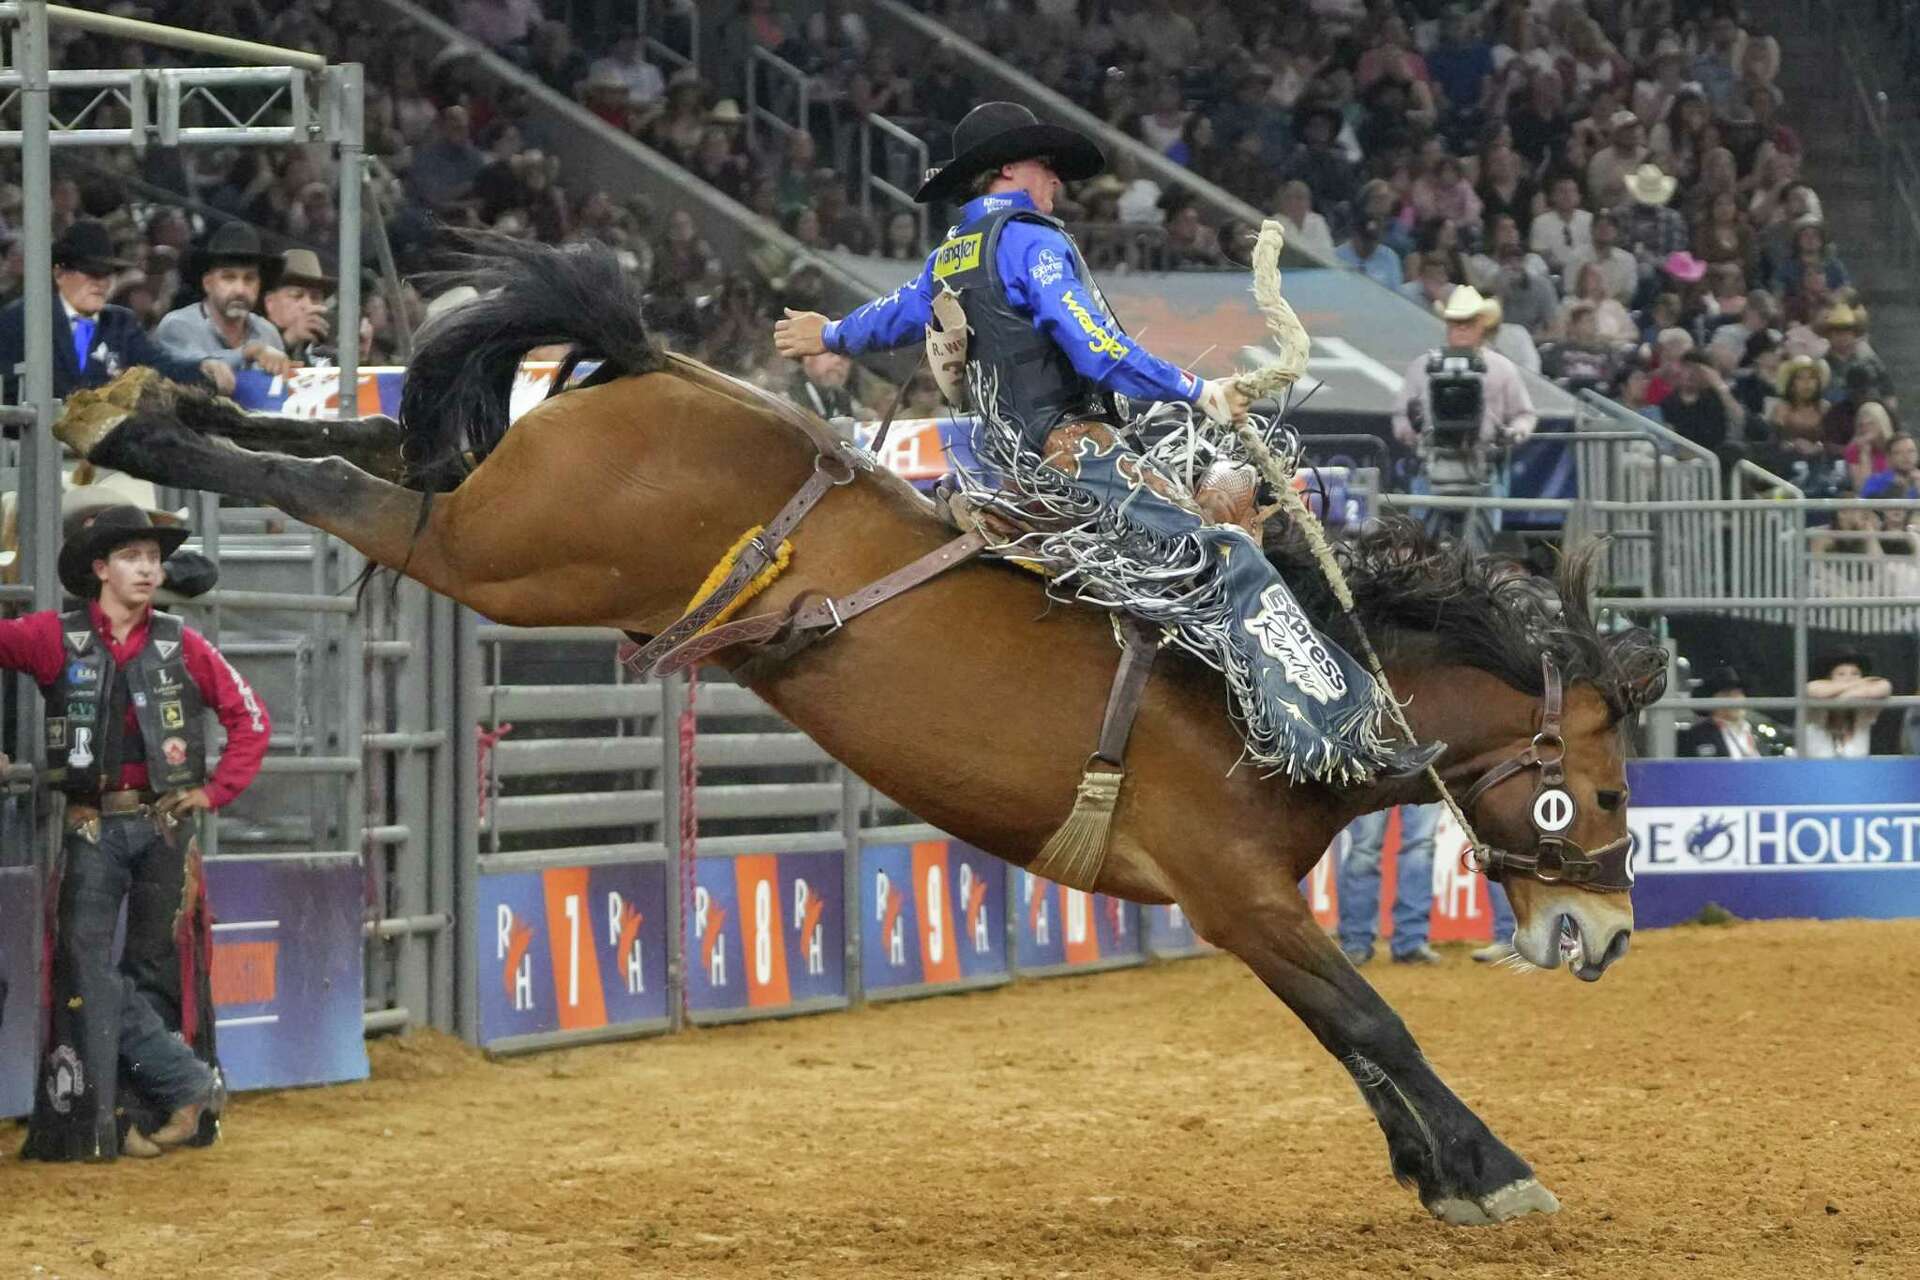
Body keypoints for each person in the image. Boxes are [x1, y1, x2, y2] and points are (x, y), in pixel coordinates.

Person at [773, 101, 1434, 783]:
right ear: (1009, 168)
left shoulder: (953, 254)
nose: (1056, 179)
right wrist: (1199, 391)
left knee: (1220, 507)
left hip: (1014, 464)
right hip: (1076, 453)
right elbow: (1098, 351)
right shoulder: (1032, 242)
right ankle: (1334, 741)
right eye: (1044, 165)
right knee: (1230, 554)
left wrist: (827, 333)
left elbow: (893, 316)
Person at [9, 506, 269, 1161]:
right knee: (90, 967)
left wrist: (212, 792)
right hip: (94, 822)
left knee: (140, 968)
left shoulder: (183, 643)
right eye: (133, 557)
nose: (149, 569)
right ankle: (182, 1085)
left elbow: (250, 718)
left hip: (162, 824)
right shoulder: (50, 637)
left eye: (154, 558)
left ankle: (137, 1115)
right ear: (101, 569)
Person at [0, 219, 218, 402]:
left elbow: (159, 367)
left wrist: (205, 369)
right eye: (92, 273)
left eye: (107, 274)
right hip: (34, 446)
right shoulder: (21, 321)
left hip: (104, 447)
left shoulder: (121, 323)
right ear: (60, 274)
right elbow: (8, 386)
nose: (102, 283)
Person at [1392, 286, 1537, 555]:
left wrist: (1515, 432)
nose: (1460, 328)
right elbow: (1401, 414)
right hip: (1433, 464)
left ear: (1481, 324)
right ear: (1446, 324)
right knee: (1422, 549)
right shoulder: (1423, 366)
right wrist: (1409, 431)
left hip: (1482, 465)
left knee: (1477, 553)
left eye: (1467, 322)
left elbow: (1525, 415)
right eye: (1455, 322)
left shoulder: (1502, 368)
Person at [151, 221, 291, 391]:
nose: (240, 290)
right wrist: (248, 352)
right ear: (208, 283)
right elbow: (192, 367)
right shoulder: (177, 325)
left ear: (259, 285)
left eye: (249, 279)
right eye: (229, 277)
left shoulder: (268, 333)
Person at [1337, 803, 1443, 967]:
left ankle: (1411, 942)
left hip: (1424, 778)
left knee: (1419, 847)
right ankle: (1355, 942)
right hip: (1375, 778)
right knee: (1366, 849)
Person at [1802, 652, 1890, 759]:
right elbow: (1811, 689)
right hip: (1812, 773)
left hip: (1855, 773)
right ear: (1828, 678)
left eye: (1855, 674)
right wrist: (1858, 684)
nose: (1849, 678)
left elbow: (1885, 686)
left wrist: (1844, 696)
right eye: (1841, 674)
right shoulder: (1817, 709)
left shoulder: (1864, 711)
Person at [260, 248, 336, 366]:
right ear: (270, 303)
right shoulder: (252, 333)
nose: (308, 305)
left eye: (315, 297)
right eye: (297, 295)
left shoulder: (325, 353)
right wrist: (290, 338)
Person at [1676, 665, 1769, 757]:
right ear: (1711, 701)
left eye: (1739, 693)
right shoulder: (1694, 737)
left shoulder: (1757, 735)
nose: (1736, 700)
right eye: (1727, 694)